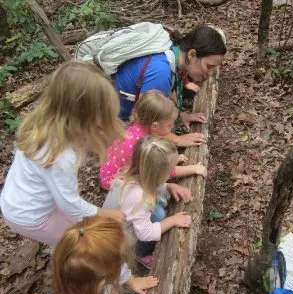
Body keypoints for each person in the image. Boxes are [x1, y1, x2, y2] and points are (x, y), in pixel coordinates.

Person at [0, 61, 126, 247]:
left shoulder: (41, 124)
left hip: (16, 201)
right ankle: (83, 273)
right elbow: (71, 206)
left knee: (77, 228)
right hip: (31, 216)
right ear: (84, 117)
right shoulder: (62, 156)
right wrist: (104, 213)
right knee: (80, 245)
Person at [113, 25, 227, 146]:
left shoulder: (173, 52)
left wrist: (180, 115)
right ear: (192, 55)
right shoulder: (160, 73)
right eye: (209, 66)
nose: (210, 74)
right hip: (117, 125)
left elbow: (171, 87)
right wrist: (178, 140)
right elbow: (146, 124)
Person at [48, 216, 158, 294]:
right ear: (102, 280)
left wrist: (131, 280)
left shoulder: (82, 276)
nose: (122, 264)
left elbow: (116, 265)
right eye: (118, 263)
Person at [104, 136, 192, 268]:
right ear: (156, 175)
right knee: (160, 216)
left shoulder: (133, 174)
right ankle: (141, 253)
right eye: (169, 171)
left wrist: (168, 187)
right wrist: (172, 221)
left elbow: (152, 186)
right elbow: (145, 233)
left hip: (117, 225)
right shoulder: (138, 197)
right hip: (119, 239)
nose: (170, 174)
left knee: (157, 211)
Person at [100, 90, 207, 190]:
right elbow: (160, 172)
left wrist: (172, 160)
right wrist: (194, 169)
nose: (173, 127)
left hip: (111, 172)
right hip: (117, 184)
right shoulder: (146, 144)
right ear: (155, 126)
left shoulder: (139, 127)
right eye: (170, 125)